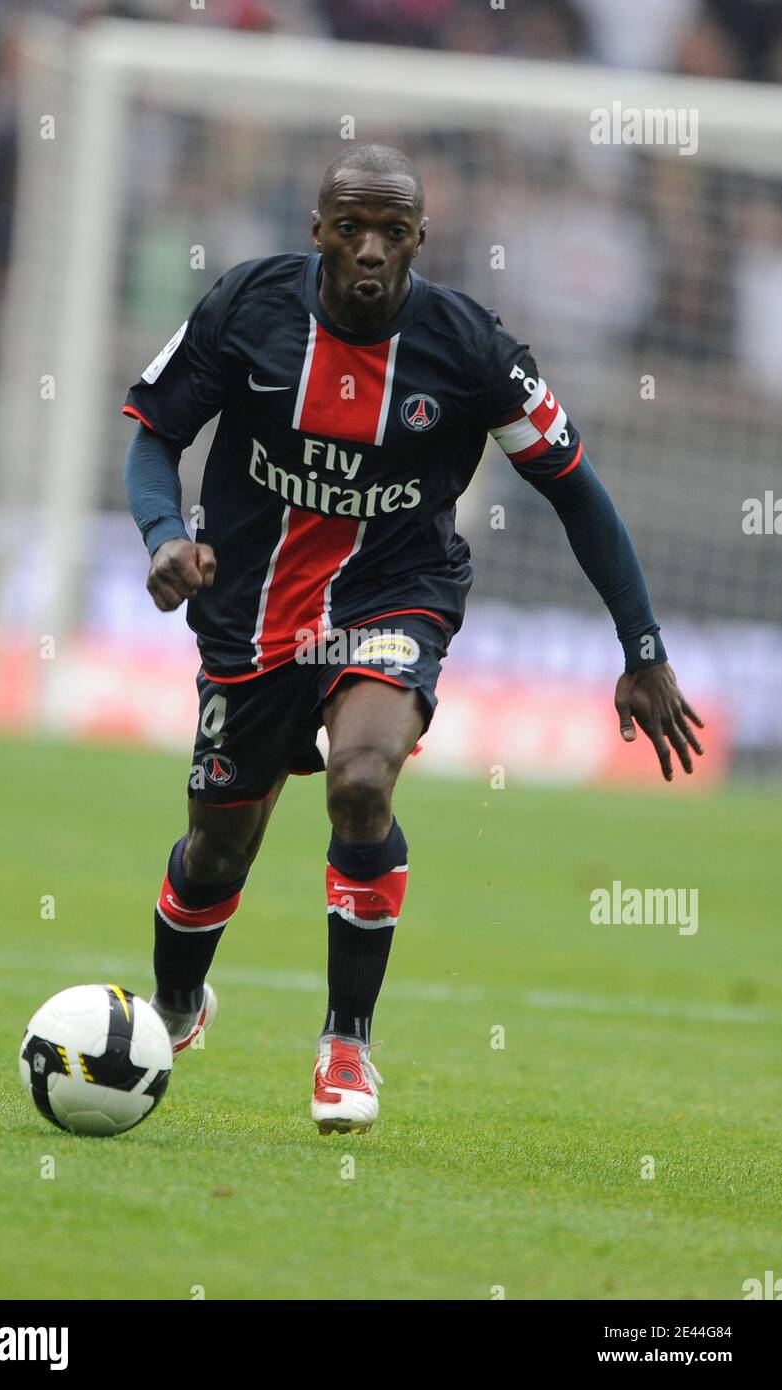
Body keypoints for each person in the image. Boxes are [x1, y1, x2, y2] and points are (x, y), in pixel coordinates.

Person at [122, 144, 704, 1135]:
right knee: (215, 851)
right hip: (252, 613)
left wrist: (640, 645)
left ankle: (345, 1040)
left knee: (360, 781)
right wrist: (166, 535)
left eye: (392, 232)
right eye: (350, 227)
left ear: (420, 241)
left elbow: (576, 492)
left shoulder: (471, 349)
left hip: (397, 597)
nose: (369, 250)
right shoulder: (246, 307)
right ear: (317, 230)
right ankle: (178, 1005)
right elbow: (152, 435)